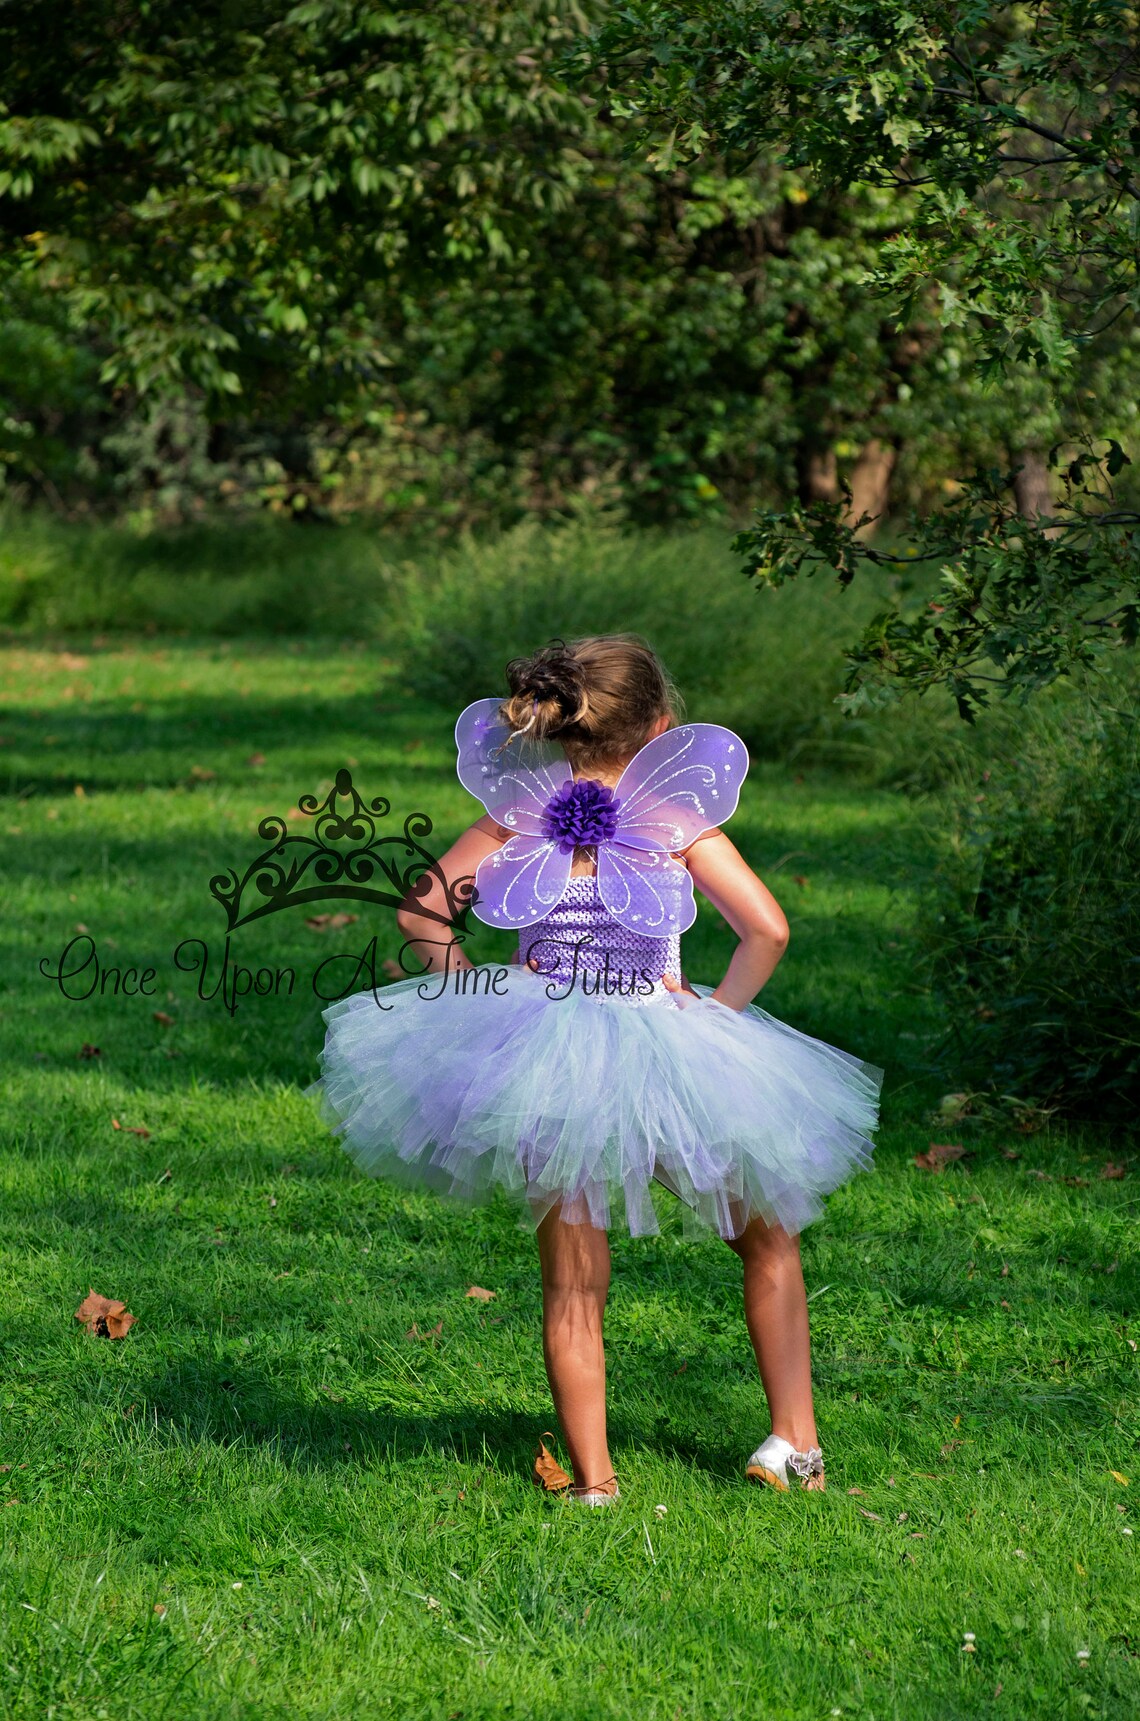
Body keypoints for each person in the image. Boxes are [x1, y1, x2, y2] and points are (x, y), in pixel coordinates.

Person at [310, 634, 883, 1503]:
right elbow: (768, 929)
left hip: (547, 1058)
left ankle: (595, 1481)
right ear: (659, 727)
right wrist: (716, 1016)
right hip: (667, 1048)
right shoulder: (678, 823)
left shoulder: (517, 814)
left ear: (558, 723)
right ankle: (793, 1444)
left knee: (573, 1284)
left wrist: (468, 991)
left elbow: (422, 910)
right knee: (768, 1237)